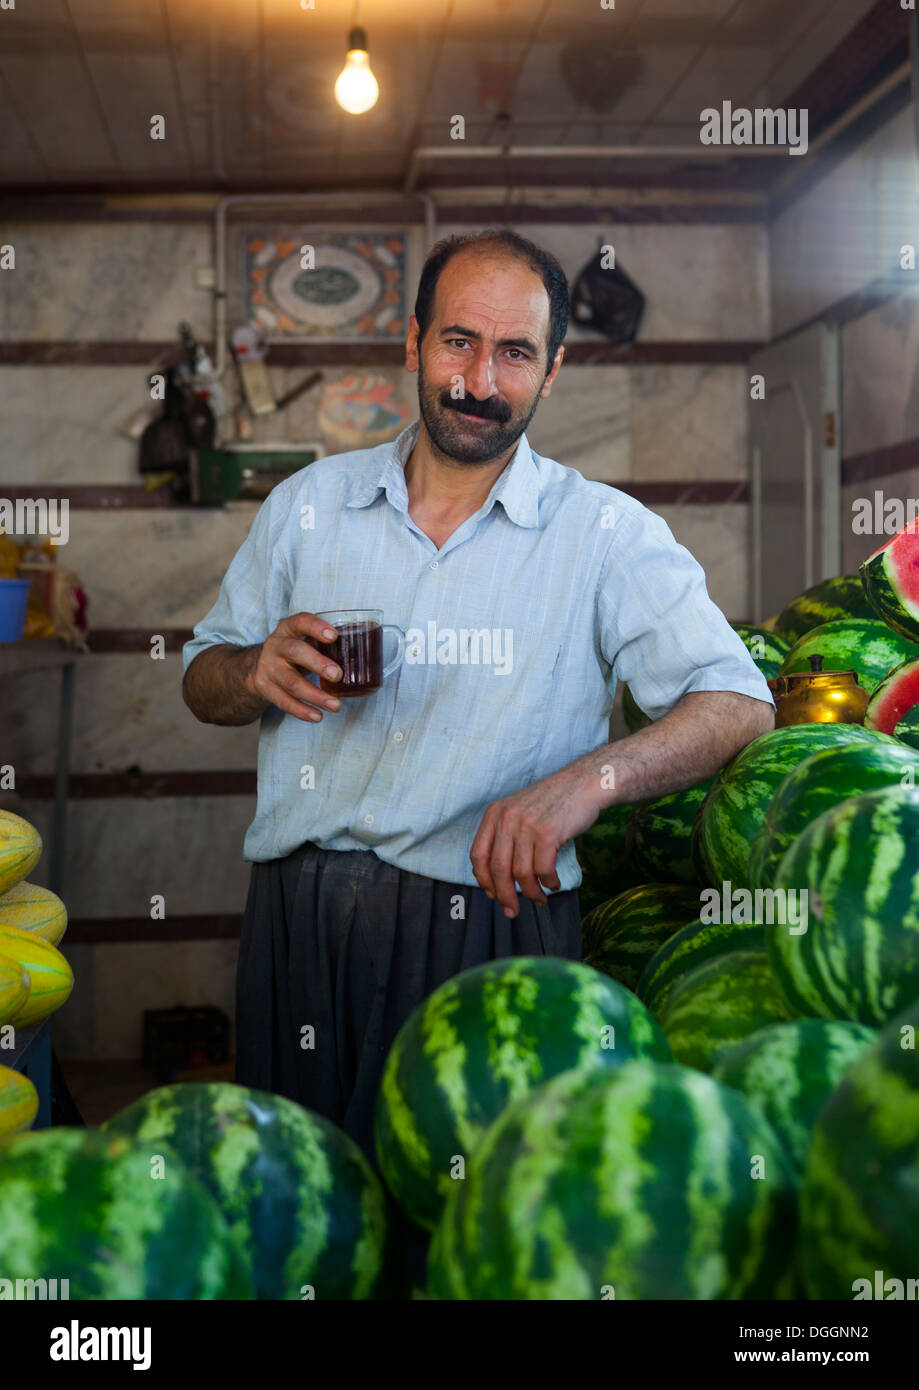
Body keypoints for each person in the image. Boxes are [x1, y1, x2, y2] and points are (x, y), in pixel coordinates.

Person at [181, 228, 775, 1166]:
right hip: (299, 923)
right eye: (458, 341)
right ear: (412, 343)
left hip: (493, 922)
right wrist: (251, 667)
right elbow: (201, 676)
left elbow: (737, 701)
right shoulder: (306, 504)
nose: (479, 380)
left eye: (515, 353)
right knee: (298, 1206)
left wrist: (591, 780)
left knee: (466, 1222)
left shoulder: (607, 535)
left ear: (552, 371)